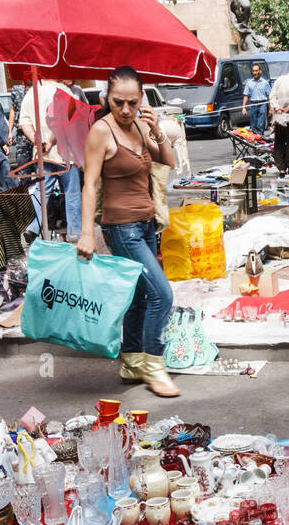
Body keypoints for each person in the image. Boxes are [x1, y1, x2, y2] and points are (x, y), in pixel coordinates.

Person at [75, 66, 180, 396]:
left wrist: (156, 129)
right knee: (162, 294)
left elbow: (168, 162)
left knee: (138, 297)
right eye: (118, 102)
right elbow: (89, 184)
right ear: (107, 98)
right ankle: (153, 366)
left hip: (146, 223)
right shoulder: (101, 132)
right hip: (121, 227)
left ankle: (132, 361)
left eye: (131, 103)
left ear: (141, 100)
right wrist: (87, 233)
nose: (124, 109)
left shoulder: (138, 124)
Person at [20, 77, 83, 241]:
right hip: (66, 149)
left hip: (43, 151)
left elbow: (24, 122)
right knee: (72, 192)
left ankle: (32, 227)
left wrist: (36, 140)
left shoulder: (31, 93)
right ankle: (74, 231)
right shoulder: (64, 91)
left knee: (43, 190)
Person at [241, 62, 271, 135]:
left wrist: (270, 109)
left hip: (262, 104)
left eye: (256, 70)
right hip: (253, 105)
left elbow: (269, 96)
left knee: (260, 124)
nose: (255, 72)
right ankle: (254, 140)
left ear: (260, 71)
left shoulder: (265, 83)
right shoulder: (249, 83)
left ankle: (260, 138)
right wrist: (243, 107)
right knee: (253, 125)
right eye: (253, 71)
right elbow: (246, 95)